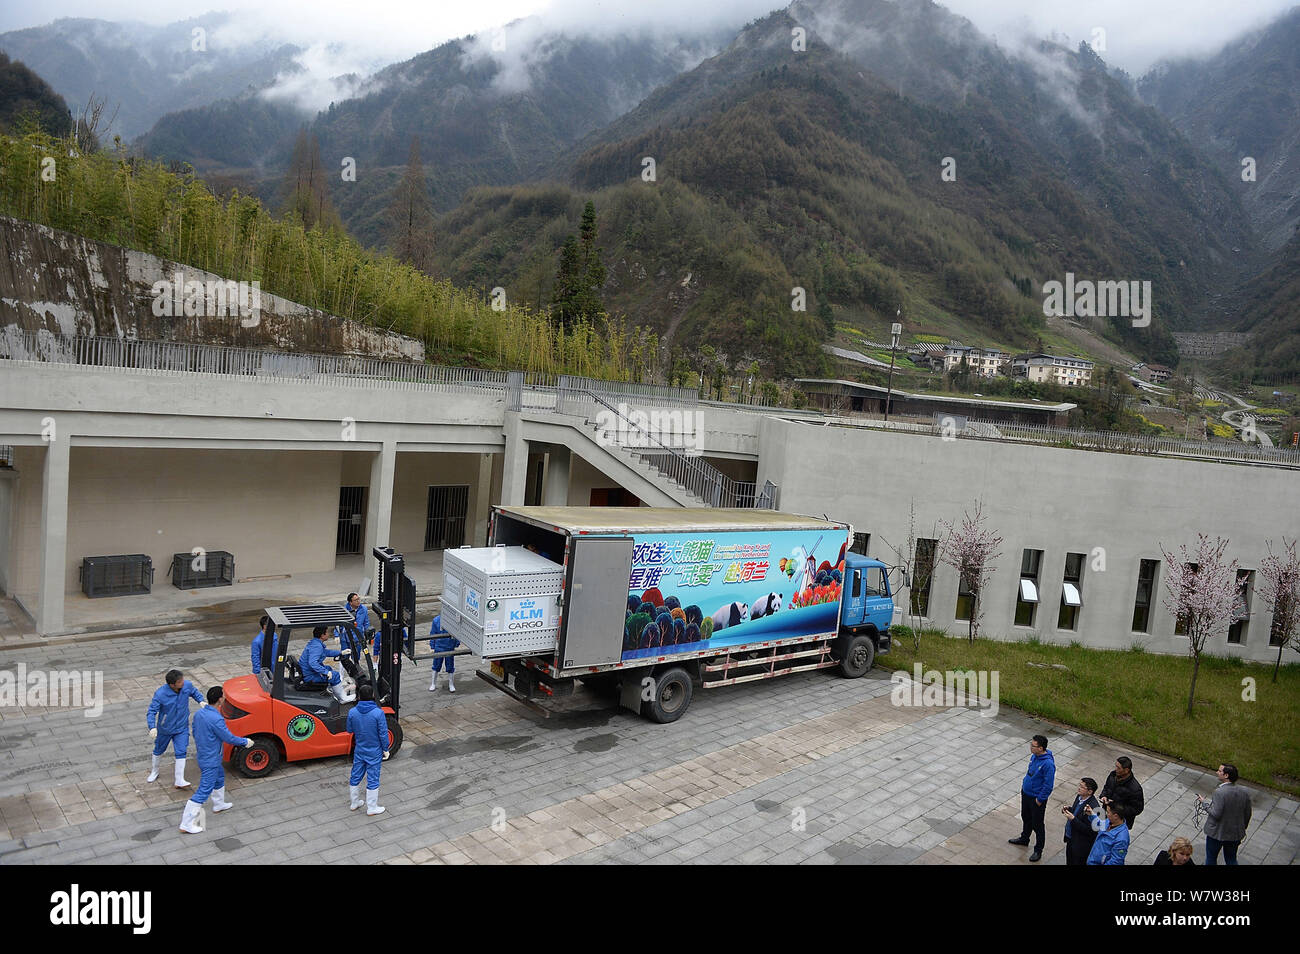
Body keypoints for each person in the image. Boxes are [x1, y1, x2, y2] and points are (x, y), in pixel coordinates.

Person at [179, 686, 253, 834]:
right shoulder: (216, 718)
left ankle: (218, 804)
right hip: (211, 758)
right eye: (223, 696)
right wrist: (245, 742)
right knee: (203, 790)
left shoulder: (200, 714)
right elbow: (228, 737)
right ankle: (186, 823)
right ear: (220, 699)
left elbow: (195, 731)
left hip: (205, 754)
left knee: (219, 777)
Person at [146, 669, 206, 788]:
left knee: (181, 751)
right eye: (180, 681)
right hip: (165, 728)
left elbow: (194, 692)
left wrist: (201, 701)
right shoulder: (160, 694)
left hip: (182, 727)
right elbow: (151, 711)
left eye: (182, 679)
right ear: (172, 684)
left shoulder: (186, 685)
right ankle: (155, 771)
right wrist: (152, 727)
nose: (183, 682)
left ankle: (179, 779)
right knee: (159, 749)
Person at [1009, 734, 1055, 862]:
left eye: (1033, 746)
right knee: (1026, 817)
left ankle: (1038, 850)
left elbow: (1048, 785)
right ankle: (1024, 838)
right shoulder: (1034, 757)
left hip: (1036, 799)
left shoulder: (1048, 764)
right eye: (1031, 745)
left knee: (1037, 824)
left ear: (1041, 748)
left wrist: (1040, 800)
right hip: (1026, 793)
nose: (1031, 748)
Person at [346, 683, 390, 816]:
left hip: (360, 750)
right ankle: (372, 807)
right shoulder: (378, 713)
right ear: (372, 696)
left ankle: (354, 803)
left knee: (355, 775)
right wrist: (386, 748)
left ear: (359, 696)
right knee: (373, 778)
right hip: (374, 750)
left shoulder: (352, 712)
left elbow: (349, 729)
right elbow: (383, 733)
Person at [1199, 763, 1252, 865]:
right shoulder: (1244, 792)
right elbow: (1247, 813)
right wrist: (1242, 827)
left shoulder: (1220, 792)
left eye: (1219, 771)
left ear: (1226, 775)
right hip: (1235, 834)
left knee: (1211, 859)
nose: (1217, 772)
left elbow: (1216, 814)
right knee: (1231, 859)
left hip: (1217, 834)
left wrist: (1204, 804)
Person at [300, 625, 353, 703]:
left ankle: (333, 690)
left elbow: (326, 652)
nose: (328, 634)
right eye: (327, 632)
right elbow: (313, 663)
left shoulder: (315, 643)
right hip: (310, 676)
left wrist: (341, 652)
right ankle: (343, 698)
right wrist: (325, 672)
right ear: (322, 635)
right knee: (335, 675)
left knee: (328, 668)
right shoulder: (317, 646)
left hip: (308, 672)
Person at [1061, 777, 1100, 866]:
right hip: (1071, 838)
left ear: (1090, 792)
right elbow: (1076, 811)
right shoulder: (1079, 796)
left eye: (1082, 787)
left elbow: (1091, 831)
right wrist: (1069, 809)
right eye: (1079, 785)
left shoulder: (1094, 808)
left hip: (1081, 845)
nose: (1079, 788)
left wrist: (1073, 819)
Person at [1099, 756, 1144, 830]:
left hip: (1120, 823)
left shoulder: (1135, 789)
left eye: (1118, 768)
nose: (1115, 769)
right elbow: (1106, 788)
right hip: (1105, 815)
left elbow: (1137, 809)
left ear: (1126, 770)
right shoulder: (1112, 776)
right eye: (1115, 766)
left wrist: (1117, 807)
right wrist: (1103, 796)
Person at [428, 614, 461, 693]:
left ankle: (451, 684)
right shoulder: (436, 620)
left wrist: (456, 643)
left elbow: (457, 632)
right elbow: (433, 633)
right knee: (436, 665)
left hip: (450, 646)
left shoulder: (453, 620)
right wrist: (432, 644)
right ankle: (433, 683)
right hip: (439, 646)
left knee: (450, 666)